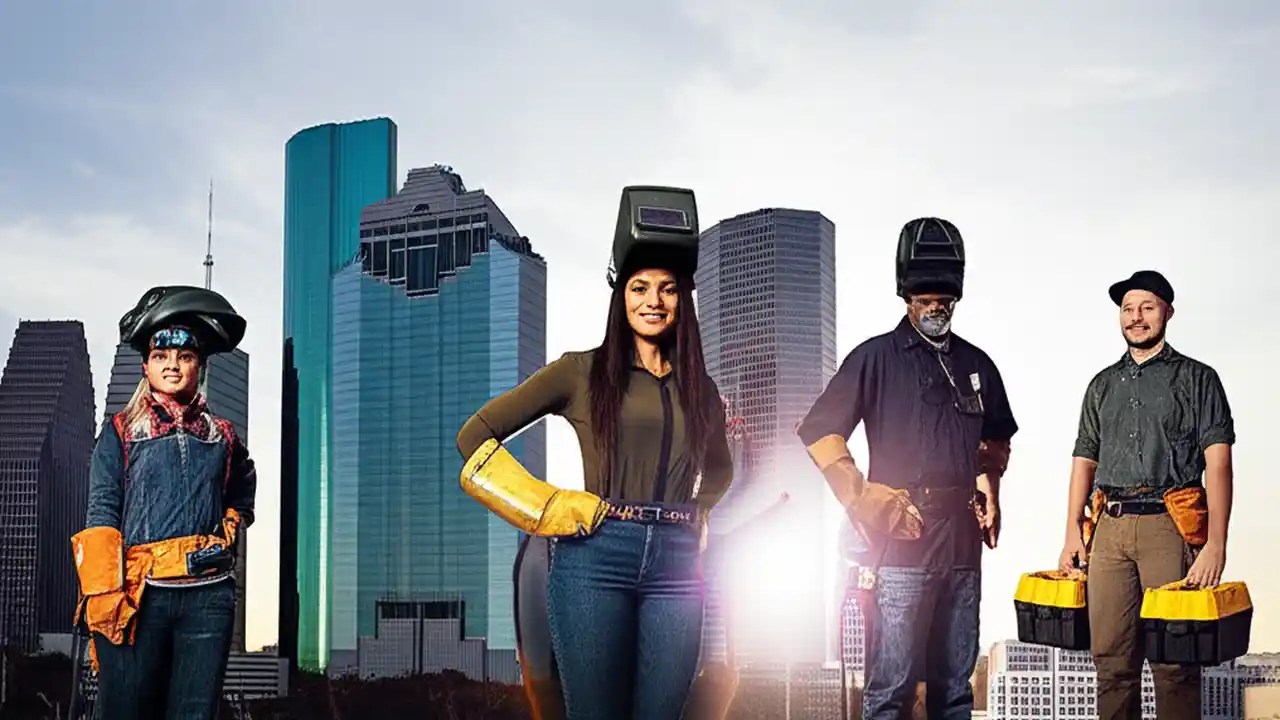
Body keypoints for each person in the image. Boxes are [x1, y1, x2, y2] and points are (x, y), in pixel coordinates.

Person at [455, 186, 733, 720]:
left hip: (680, 566)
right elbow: (475, 436)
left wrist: (704, 507)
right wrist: (543, 504)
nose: (654, 300)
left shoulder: (702, 390)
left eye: (668, 289)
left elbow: (722, 466)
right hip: (595, 555)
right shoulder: (580, 371)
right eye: (640, 287)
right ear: (619, 294)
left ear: (683, 300)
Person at [796, 217, 1018, 720]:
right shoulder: (875, 359)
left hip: (962, 544)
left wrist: (990, 489)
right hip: (900, 544)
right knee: (890, 690)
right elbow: (819, 431)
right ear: (905, 294)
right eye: (924, 294)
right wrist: (861, 497)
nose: (935, 303)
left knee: (956, 690)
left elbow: (995, 437)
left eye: (944, 294)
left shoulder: (976, 364)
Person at [71, 286, 257, 720]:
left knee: (195, 713)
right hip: (140, 596)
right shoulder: (120, 431)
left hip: (208, 598)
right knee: (125, 710)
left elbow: (243, 481)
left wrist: (234, 519)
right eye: (161, 356)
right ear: (146, 365)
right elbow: (102, 511)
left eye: (184, 357)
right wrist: (103, 599)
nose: (172, 365)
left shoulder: (223, 435)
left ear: (200, 364)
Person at [1057, 270, 1234, 720]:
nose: (1136, 318)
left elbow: (1218, 464)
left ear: (1167, 312)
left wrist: (1215, 542)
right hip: (1108, 531)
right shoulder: (1100, 385)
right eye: (1128, 309)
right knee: (1111, 663)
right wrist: (1071, 535)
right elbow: (1084, 461)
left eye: (1147, 307)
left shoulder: (1199, 379)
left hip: (1169, 526)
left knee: (1175, 664)